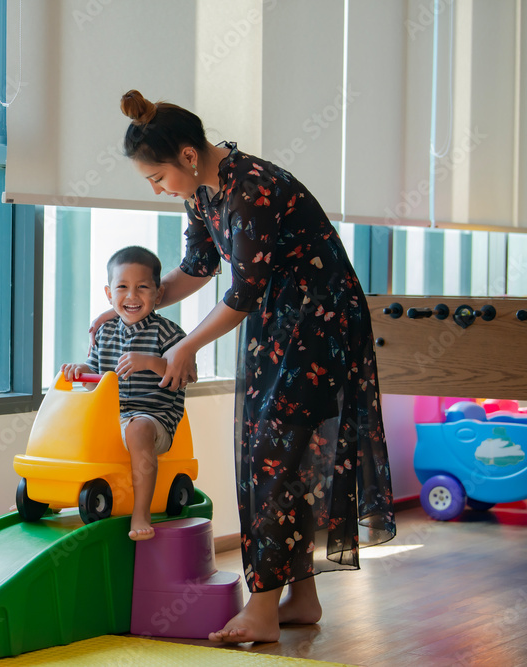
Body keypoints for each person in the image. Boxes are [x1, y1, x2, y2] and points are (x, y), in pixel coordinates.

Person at [88, 90, 396, 643]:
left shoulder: (252, 188)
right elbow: (196, 267)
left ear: (187, 156)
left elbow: (244, 291)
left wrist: (185, 347)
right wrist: (132, 304)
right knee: (275, 453)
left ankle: (263, 607)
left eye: (157, 177)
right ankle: (301, 598)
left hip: (316, 323)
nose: (157, 189)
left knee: (275, 454)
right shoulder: (201, 192)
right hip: (277, 325)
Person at [62, 245, 186, 542]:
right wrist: (81, 370)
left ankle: (141, 512)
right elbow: (96, 379)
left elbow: (185, 375)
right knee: (70, 424)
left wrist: (151, 362)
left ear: (158, 294)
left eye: (142, 287)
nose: (132, 296)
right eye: (122, 287)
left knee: (137, 429)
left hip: (154, 420)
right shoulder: (105, 332)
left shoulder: (168, 333)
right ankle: (47, 495)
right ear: (109, 294)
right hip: (112, 420)